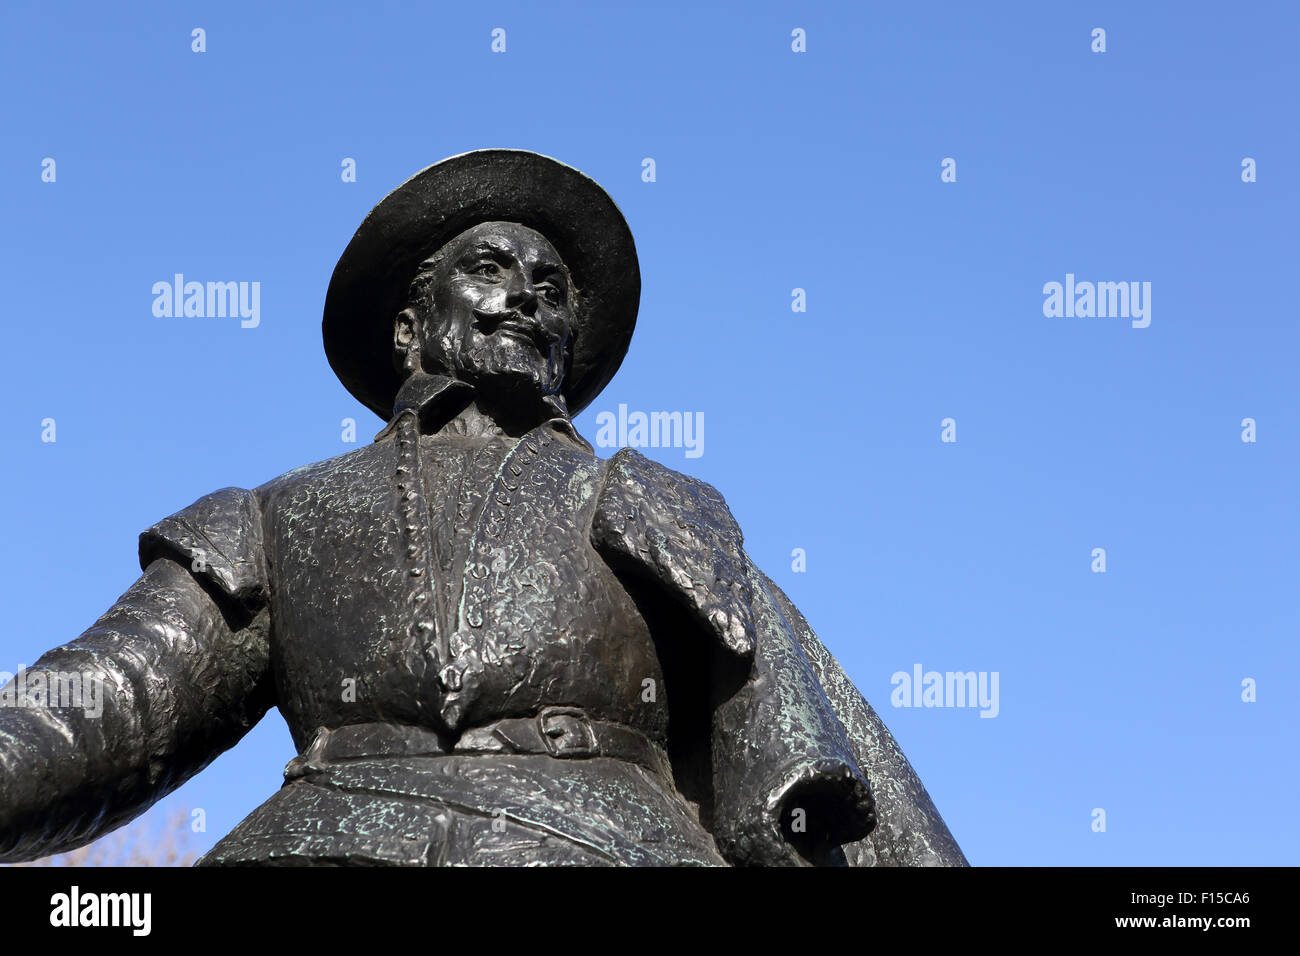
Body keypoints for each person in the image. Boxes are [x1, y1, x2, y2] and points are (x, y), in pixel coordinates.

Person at [0, 150, 965, 866]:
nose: (526, 301)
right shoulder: (275, 518)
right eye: (490, 270)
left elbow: (812, 745)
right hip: (323, 843)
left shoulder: (654, 509)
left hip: (603, 846)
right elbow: (103, 707)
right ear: (413, 324)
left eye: (551, 288)